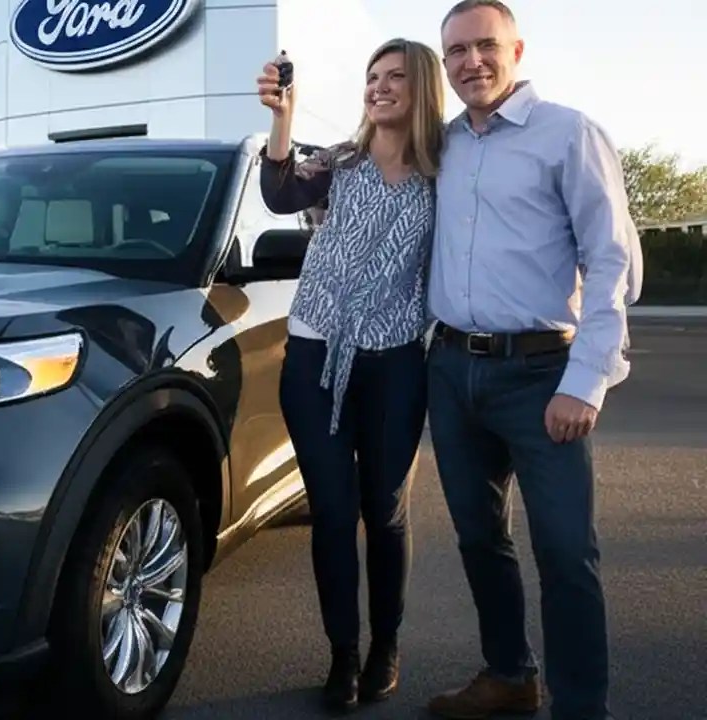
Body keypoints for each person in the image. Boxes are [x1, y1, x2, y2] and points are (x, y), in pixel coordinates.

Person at [423, 2, 642, 719]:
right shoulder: (444, 144)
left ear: (517, 49)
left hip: (543, 373)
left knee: (565, 554)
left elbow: (613, 261)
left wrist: (587, 380)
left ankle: (582, 707)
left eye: (485, 46)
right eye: (456, 51)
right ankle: (510, 674)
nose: (471, 62)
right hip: (453, 372)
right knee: (479, 538)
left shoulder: (568, 133)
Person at [254, 38, 446, 712]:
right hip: (314, 358)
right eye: (372, 77)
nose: (379, 87)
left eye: (395, 77)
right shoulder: (339, 163)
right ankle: (342, 654)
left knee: (385, 513)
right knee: (333, 513)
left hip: (395, 361)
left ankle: (385, 647)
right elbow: (280, 193)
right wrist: (284, 116)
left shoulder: (442, 174)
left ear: (422, 89)